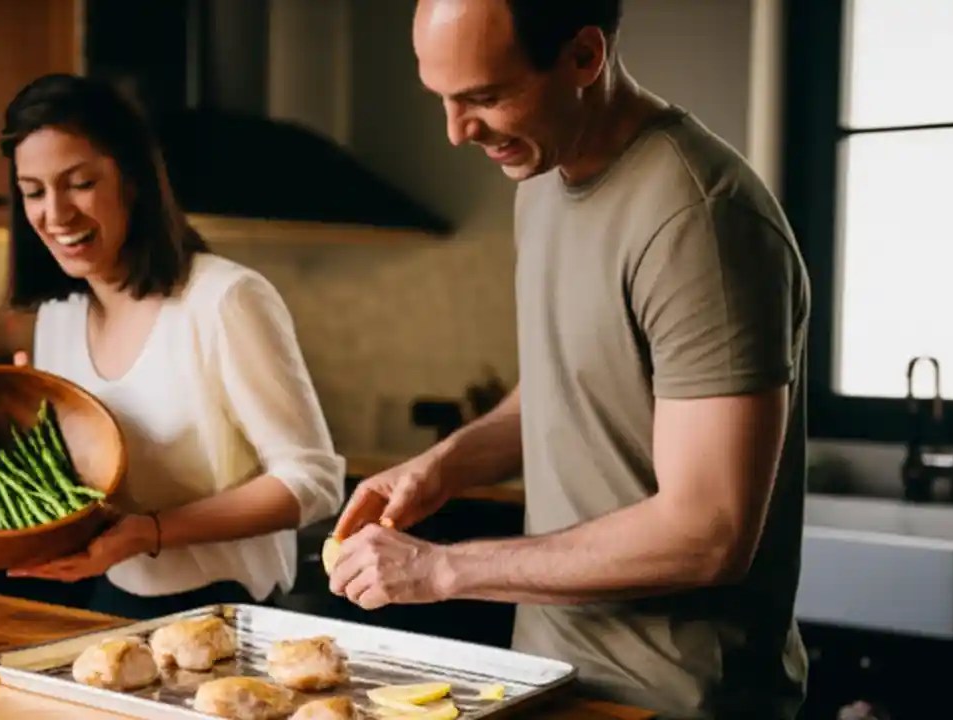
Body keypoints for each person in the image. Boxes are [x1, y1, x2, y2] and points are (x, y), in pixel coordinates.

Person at [328, 2, 811, 718]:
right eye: (444, 100)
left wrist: (444, 569)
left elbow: (708, 532)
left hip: (675, 701)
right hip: (549, 677)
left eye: (485, 98)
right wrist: (442, 468)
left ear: (585, 56)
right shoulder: (539, 180)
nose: (457, 133)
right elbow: (567, 387)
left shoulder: (701, 221)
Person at [0, 73, 345, 619]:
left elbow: (314, 482)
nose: (56, 214)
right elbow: (87, 486)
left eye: (80, 183)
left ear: (132, 179)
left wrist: (152, 533)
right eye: (34, 192)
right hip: (110, 598)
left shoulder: (224, 300)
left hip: (229, 610)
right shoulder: (57, 318)